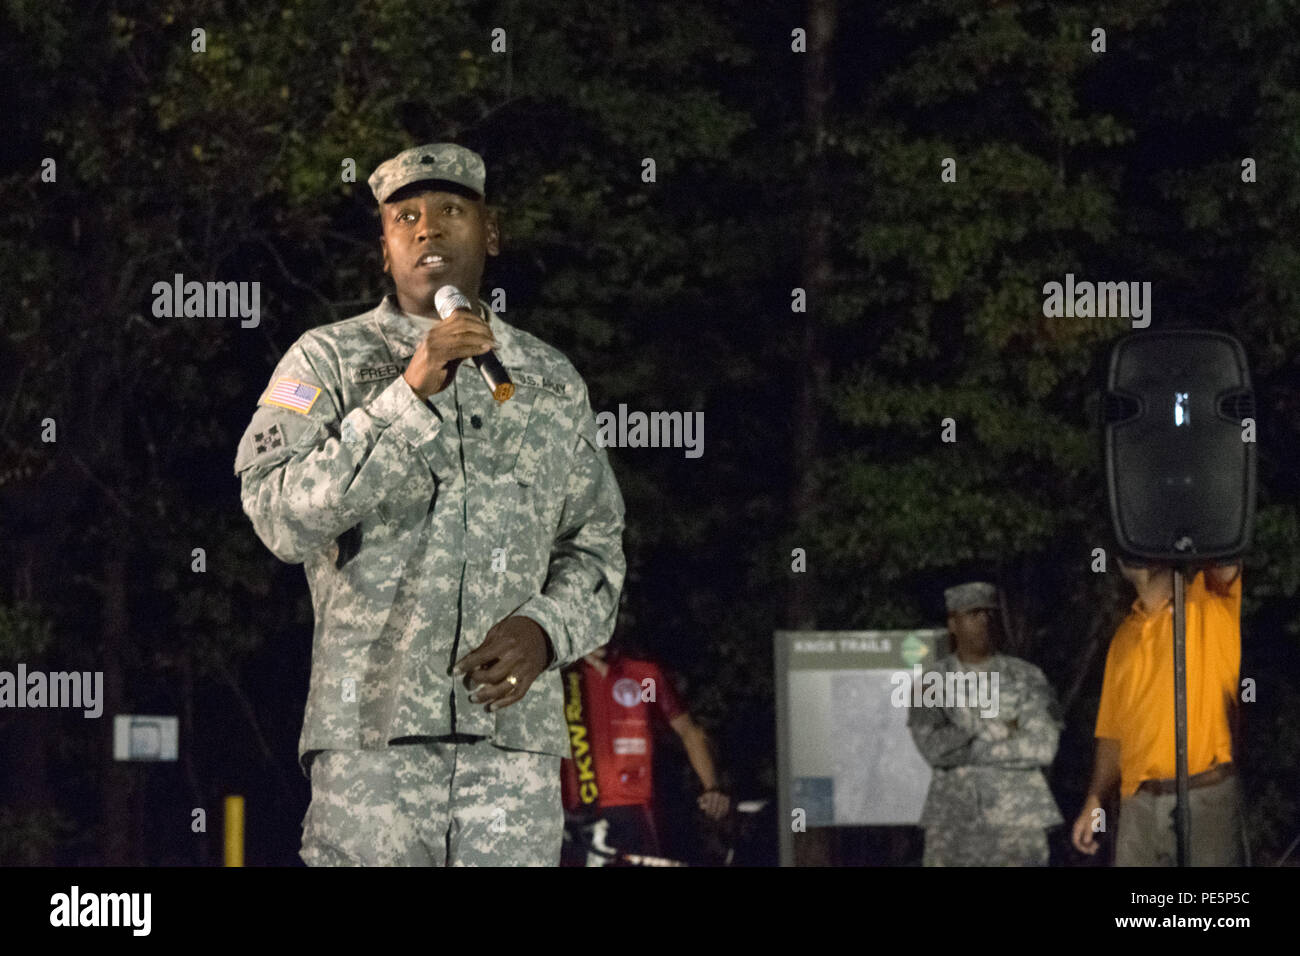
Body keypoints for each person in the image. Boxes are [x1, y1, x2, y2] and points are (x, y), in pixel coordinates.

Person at [233, 143, 626, 866]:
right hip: (371, 754)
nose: (427, 229)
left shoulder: (548, 379)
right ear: (385, 249)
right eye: (404, 217)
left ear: (491, 233)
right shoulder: (325, 361)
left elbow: (596, 547)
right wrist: (405, 397)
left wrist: (546, 630)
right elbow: (279, 514)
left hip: (509, 758)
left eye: (451, 210)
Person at [1071, 557, 1243, 866]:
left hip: (1204, 795)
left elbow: (1226, 554)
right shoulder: (1123, 637)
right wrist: (1094, 801)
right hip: (1138, 804)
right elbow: (1112, 734)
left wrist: (1175, 525)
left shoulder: (1209, 600)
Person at [908, 581, 1063, 866]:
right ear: (953, 623)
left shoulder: (1028, 678)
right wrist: (997, 728)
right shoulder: (929, 684)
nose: (984, 621)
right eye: (973, 613)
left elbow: (1043, 748)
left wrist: (968, 748)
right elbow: (933, 749)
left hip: (1018, 820)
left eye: (990, 614)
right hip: (953, 823)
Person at [561, 643, 728, 864]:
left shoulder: (643, 676)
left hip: (635, 809)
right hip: (579, 813)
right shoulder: (563, 677)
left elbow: (688, 730)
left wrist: (712, 787)